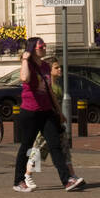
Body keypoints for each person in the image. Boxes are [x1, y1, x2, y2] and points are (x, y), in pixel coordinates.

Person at [13, 36, 84, 193]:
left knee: (55, 145)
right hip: (30, 111)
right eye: (41, 46)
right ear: (32, 49)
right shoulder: (29, 65)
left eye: (45, 46)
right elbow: (24, 78)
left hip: (46, 112)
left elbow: (50, 91)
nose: (44, 48)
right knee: (27, 146)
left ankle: (67, 180)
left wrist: (59, 112)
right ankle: (19, 181)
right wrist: (25, 59)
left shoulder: (45, 66)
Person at [26, 58, 76, 189]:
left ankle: (72, 175)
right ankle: (27, 175)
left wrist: (61, 116)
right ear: (49, 70)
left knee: (64, 149)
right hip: (47, 122)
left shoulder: (57, 87)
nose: (60, 69)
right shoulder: (47, 86)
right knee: (38, 149)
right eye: (56, 67)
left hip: (57, 121)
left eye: (59, 67)